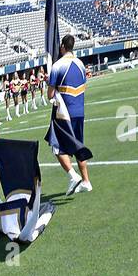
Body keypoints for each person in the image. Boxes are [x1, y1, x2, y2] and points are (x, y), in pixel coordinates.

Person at [47, 35, 92, 195]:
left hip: (64, 113)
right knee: (78, 145)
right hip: (80, 110)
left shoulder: (57, 66)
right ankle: (86, 181)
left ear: (62, 46)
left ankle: (73, 176)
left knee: (56, 146)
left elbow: (50, 94)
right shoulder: (80, 64)